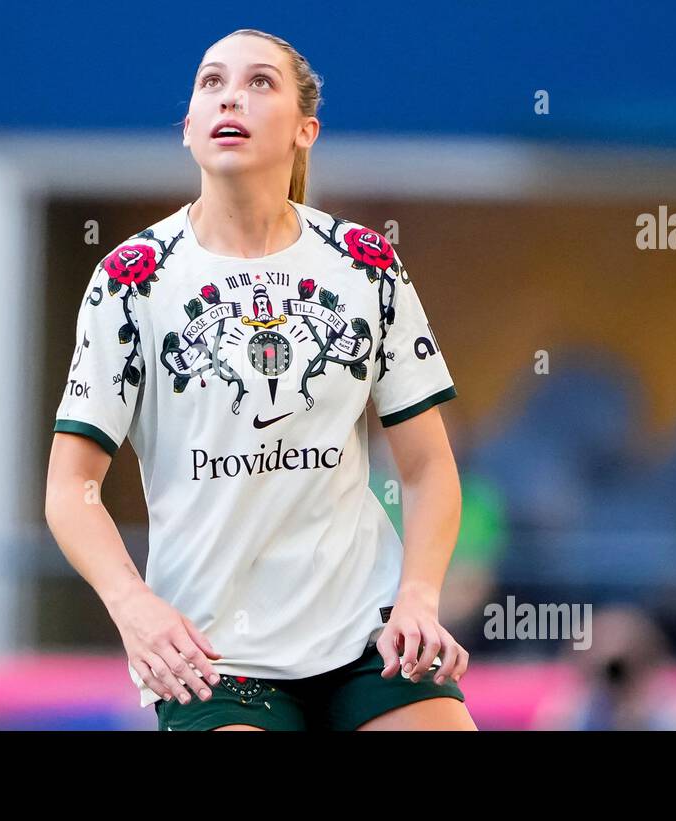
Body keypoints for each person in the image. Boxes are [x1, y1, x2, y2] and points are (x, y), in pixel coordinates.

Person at [45, 28, 476, 731]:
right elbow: (70, 489)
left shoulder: (366, 264)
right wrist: (134, 607)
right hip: (213, 653)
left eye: (258, 83)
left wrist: (419, 599)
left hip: (367, 635)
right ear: (187, 128)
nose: (230, 98)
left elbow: (429, 468)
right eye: (211, 82)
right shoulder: (132, 278)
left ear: (306, 130)